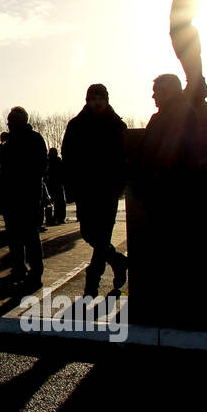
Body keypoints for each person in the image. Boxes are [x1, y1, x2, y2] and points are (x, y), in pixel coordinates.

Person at [62, 84, 128, 296]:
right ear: (87, 101)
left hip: (108, 189)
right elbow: (68, 158)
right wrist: (70, 187)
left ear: (106, 100)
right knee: (89, 233)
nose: (97, 103)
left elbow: (124, 158)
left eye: (101, 98)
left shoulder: (117, 125)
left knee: (102, 236)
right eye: (93, 99)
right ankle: (118, 261)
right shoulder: (76, 125)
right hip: (86, 190)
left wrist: (120, 184)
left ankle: (92, 285)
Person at [0, 108, 48, 289]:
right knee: (15, 237)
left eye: (11, 121)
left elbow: (41, 167)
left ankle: (35, 274)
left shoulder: (32, 140)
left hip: (27, 196)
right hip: (14, 196)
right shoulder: (13, 142)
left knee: (29, 236)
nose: (9, 125)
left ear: (21, 121)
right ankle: (19, 269)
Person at [45, 147, 66, 225]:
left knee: (50, 202)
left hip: (50, 183)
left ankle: (50, 219)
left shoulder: (48, 160)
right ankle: (60, 218)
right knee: (60, 202)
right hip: (58, 183)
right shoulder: (58, 160)